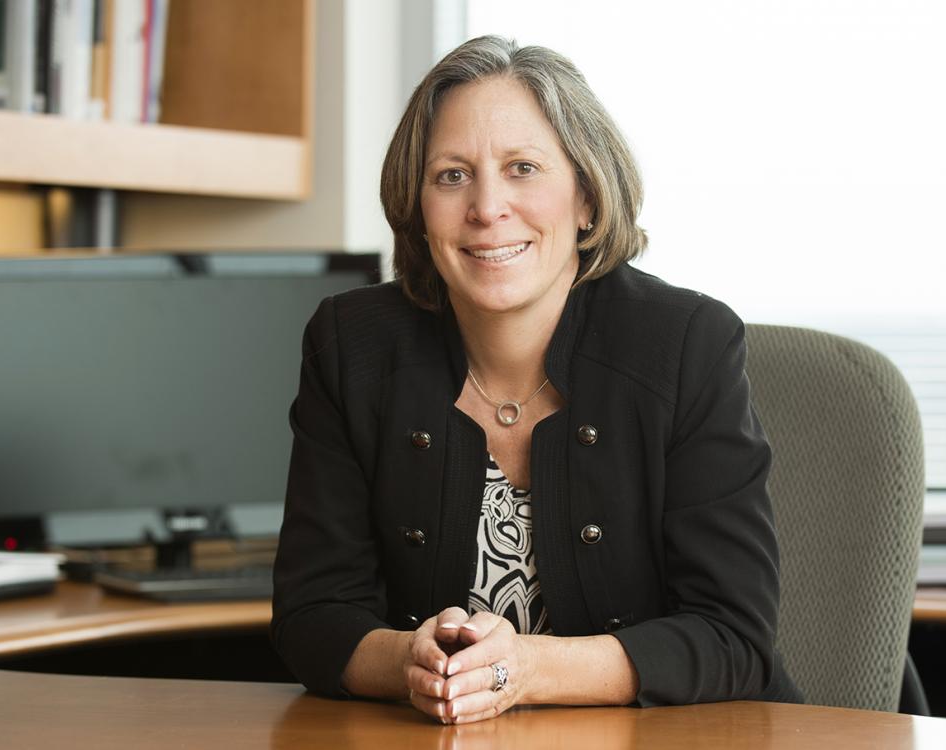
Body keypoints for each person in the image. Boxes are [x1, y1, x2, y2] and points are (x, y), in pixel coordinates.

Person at [271, 35, 803, 725]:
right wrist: (411, 661)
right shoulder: (352, 347)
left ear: (586, 196)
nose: (487, 208)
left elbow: (733, 635)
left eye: (523, 168)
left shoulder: (686, 345)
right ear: (418, 207)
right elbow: (312, 616)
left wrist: (521, 668)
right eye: (451, 175)